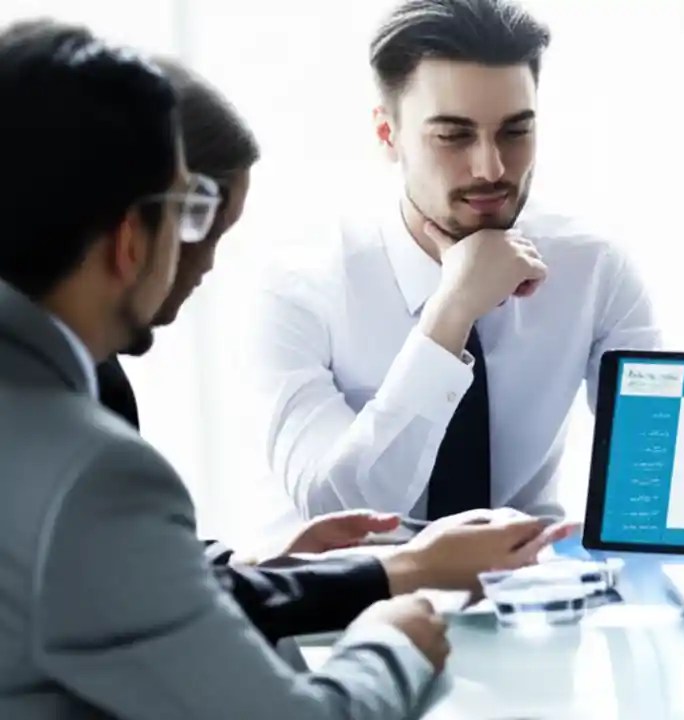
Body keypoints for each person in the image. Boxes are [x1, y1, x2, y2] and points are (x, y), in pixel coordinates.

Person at [0, 20, 440, 718]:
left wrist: (245, 568)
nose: (198, 259)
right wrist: (393, 640)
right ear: (128, 240)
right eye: (191, 212)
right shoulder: (90, 473)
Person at [95, 58, 573, 645]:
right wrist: (403, 575)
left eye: (515, 131)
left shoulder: (88, 374)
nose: (207, 263)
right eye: (201, 227)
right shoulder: (300, 284)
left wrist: (243, 565)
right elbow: (141, 613)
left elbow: (123, 565)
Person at [253, 0, 659, 521]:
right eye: (453, 136)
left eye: (516, 132)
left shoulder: (594, 269)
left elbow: (652, 476)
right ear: (388, 135)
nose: (491, 168)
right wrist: (452, 311)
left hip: (531, 588)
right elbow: (336, 511)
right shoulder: (300, 286)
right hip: (352, 592)